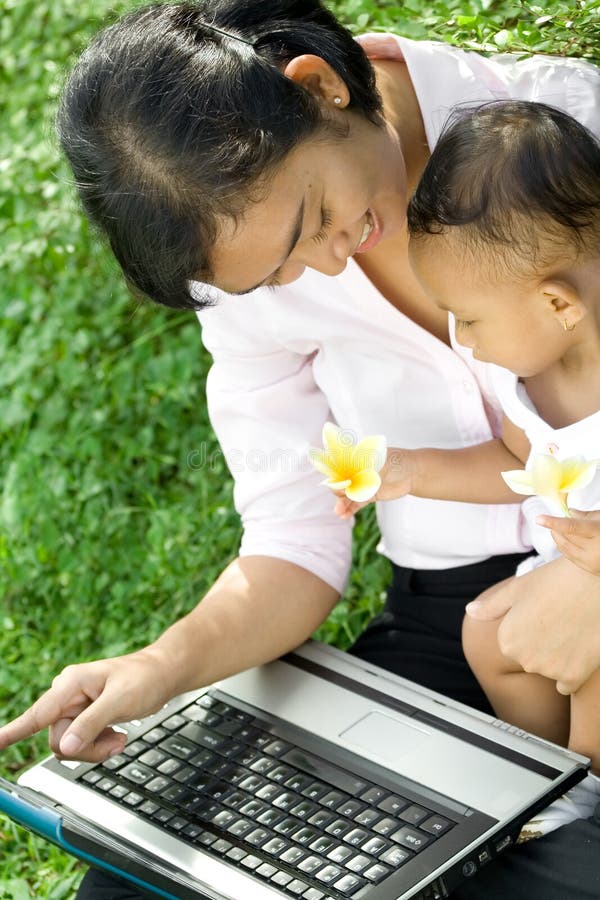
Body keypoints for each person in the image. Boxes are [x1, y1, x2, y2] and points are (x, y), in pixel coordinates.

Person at [1, 2, 600, 897]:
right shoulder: (248, 269)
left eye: (311, 219)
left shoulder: (571, 136)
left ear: (320, 89)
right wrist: (163, 666)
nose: (324, 268)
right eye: (275, 275)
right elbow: (290, 538)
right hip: (455, 630)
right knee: (151, 885)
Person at [334, 100, 600, 838]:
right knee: (483, 630)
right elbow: (519, 458)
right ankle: (541, 769)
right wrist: (412, 471)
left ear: (557, 303)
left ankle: (584, 790)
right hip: (560, 571)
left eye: (472, 321)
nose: (466, 342)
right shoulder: (531, 384)